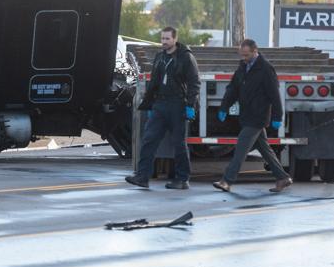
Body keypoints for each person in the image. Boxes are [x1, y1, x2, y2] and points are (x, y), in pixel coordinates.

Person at [212, 39, 293, 193]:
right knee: (264, 148)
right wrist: (224, 107)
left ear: (255, 52)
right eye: (241, 55)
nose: (244, 58)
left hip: (258, 117)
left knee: (241, 148)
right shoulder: (243, 67)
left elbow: (275, 95)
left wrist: (277, 116)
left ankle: (227, 180)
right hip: (246, 115)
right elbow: (233, 89)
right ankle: (282, 178)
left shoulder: (266, 69)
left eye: (247, 55)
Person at [125, 27, 200, 190]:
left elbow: (195, 83)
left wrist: (190, 105)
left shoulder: (186, 57)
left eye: (167, 39)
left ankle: (182, 179)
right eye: (162, 39)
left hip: (177, 104)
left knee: (179, 144)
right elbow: (154, 83)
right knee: (149, 139)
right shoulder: (159, 57)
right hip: (160, 105)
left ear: (174, 39)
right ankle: (142, 177)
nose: (164, 42)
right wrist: (150, 103)